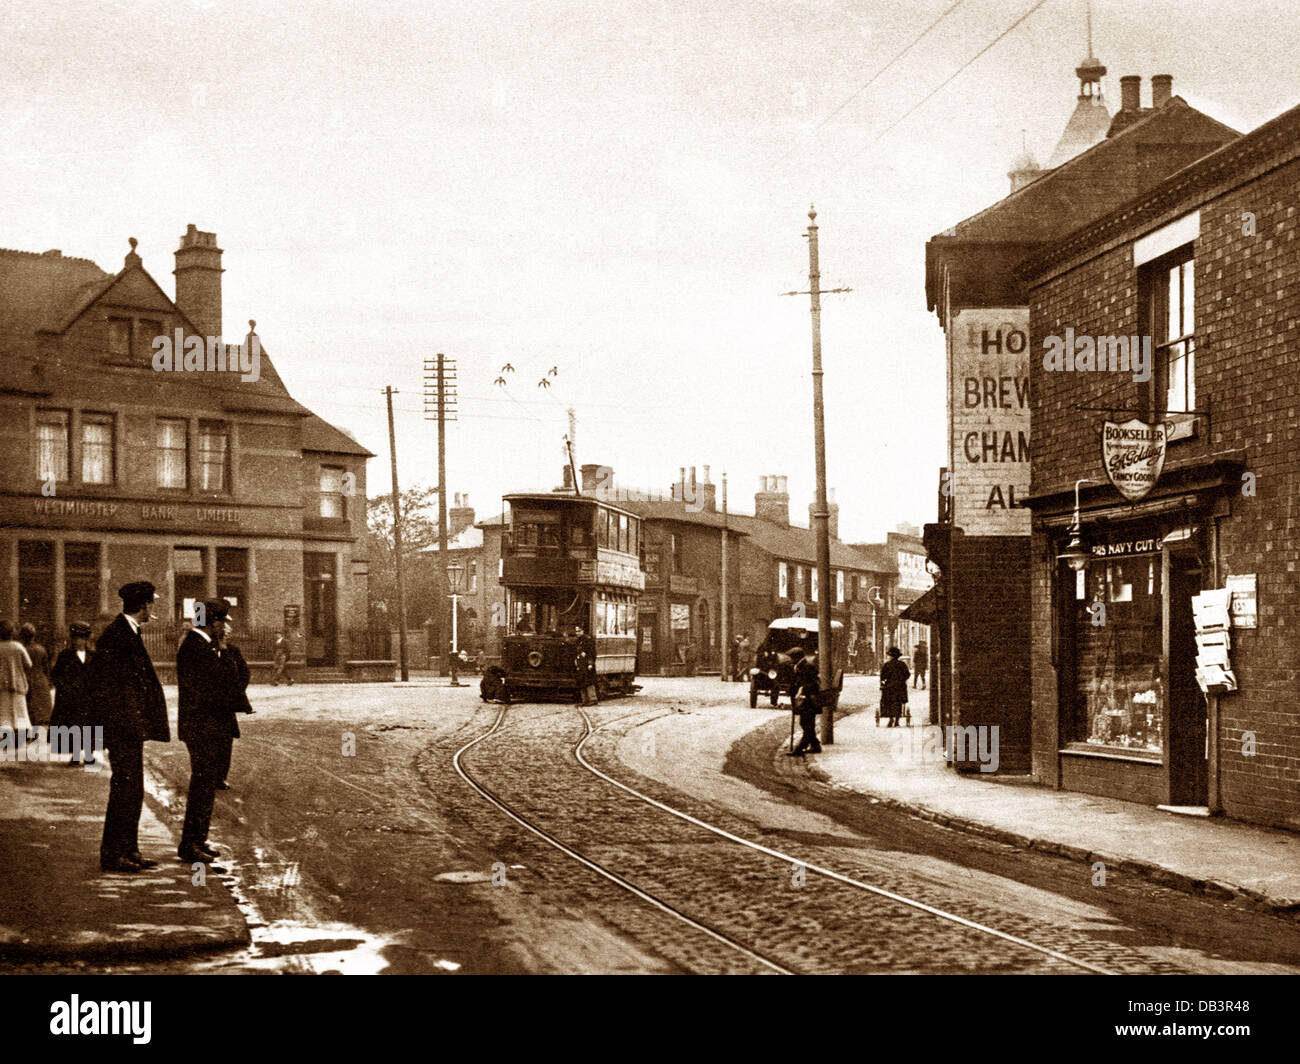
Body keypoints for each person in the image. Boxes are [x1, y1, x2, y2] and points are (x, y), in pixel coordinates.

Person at [86, 582, 169, 873]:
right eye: (151, 604)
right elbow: (109, 687)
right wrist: (129, 722)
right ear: (144, 605)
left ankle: (129, 849)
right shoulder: (117, 636)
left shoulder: (127, 632)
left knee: (132, 789)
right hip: (122, 728)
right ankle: (113, 853)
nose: (152, 609)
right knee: (124, 788)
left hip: (129, 727)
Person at [176, 600, 245, 865]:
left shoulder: (199, 646)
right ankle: (190, 844)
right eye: (223, 622)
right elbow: (226, 683)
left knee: (205, 787)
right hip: (203, 728)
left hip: (204, 727)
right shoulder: (198, 649)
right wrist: (225, 651)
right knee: (202, 786)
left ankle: (198, 839)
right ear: (213, 622)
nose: (225, 627)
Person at [214, 614, 254, 790]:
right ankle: (211, 776)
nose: (227, 635)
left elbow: (244, 673)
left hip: (226, 707)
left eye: (228, 633)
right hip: (211, 706)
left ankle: (221, 777)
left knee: (225, 741)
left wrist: (236, 693)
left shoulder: (232, 651)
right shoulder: (204, 649)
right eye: (225, 632)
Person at [50, 622, 96, 765]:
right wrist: (66, 688)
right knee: (74, 727)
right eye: (75, 638)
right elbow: (56, 675)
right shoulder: (65, 656)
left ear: (86, 639)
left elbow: (100, 676)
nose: (78, 641)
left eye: (81, 638)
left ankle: (89, 755)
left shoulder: (93, 656)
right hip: (71, 699)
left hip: (89, 698)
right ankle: (75, 756)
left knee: (91, 726)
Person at [0, 620, 33, 742]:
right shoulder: (18, 647)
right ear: (12, 633)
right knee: (20, 709)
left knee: (4, 709)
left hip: (2, 683)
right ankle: (25, 734)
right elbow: (29, 664)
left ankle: (5, 735)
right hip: (18, 683)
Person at [786, 648, 823, 756]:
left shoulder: (807, 667)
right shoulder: (800, 667)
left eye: (792, 658)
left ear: (797, 657)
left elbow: (814, 684)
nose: (791, 660)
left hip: (809, 701)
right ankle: (815, 745)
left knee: (806, 723)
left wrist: (802, 689)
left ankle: (800, 748)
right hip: (805, 701)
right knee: (807, 724)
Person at [18, 623, 53, 731]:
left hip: (28, 678)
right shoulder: (41, 649)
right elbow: (46, 667)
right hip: (41, 678)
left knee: (31, 706)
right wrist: (48, 681)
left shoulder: (22, 650)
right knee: (41, 707)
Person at [880, 646, 910, 727]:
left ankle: (890, 719)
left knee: (889, 703)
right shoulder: (902, 664)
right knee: (898, 703)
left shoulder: (887, 665)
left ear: (891, 656)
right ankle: (897, 720)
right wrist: (902, 680)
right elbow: (907, 674)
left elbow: (882, 677)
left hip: (889, 687)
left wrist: (883, 683)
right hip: (900, 687)